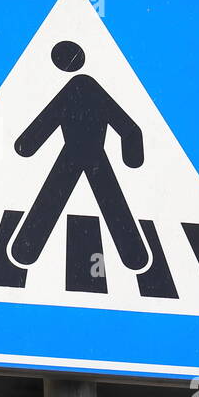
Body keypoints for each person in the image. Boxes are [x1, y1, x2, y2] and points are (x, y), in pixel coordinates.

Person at [10, 40, 149, 271]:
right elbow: (128, 128)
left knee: (53, 199)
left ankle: (26, 250)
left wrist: (28, 145)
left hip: (78, 153)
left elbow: (48, 119)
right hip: (87, 153)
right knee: (110, 201)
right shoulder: (85, 88)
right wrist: (132, 156)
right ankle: (134, 255)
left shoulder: (79, 87)